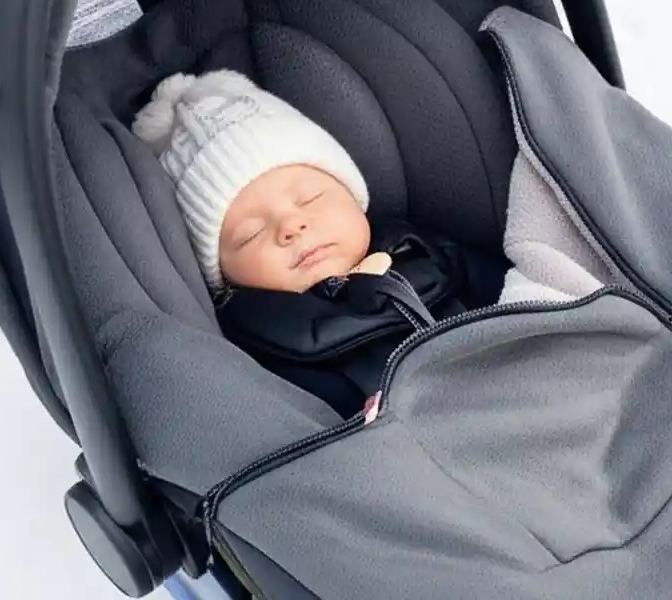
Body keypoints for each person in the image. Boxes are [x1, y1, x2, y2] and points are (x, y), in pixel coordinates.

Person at [134, 70, 505, 417]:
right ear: (224, 276)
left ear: (353, 195)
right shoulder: (252, 358)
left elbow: (520, 300)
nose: (292, 226)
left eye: (311, 198)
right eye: (250, 234)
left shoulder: (427, 251)